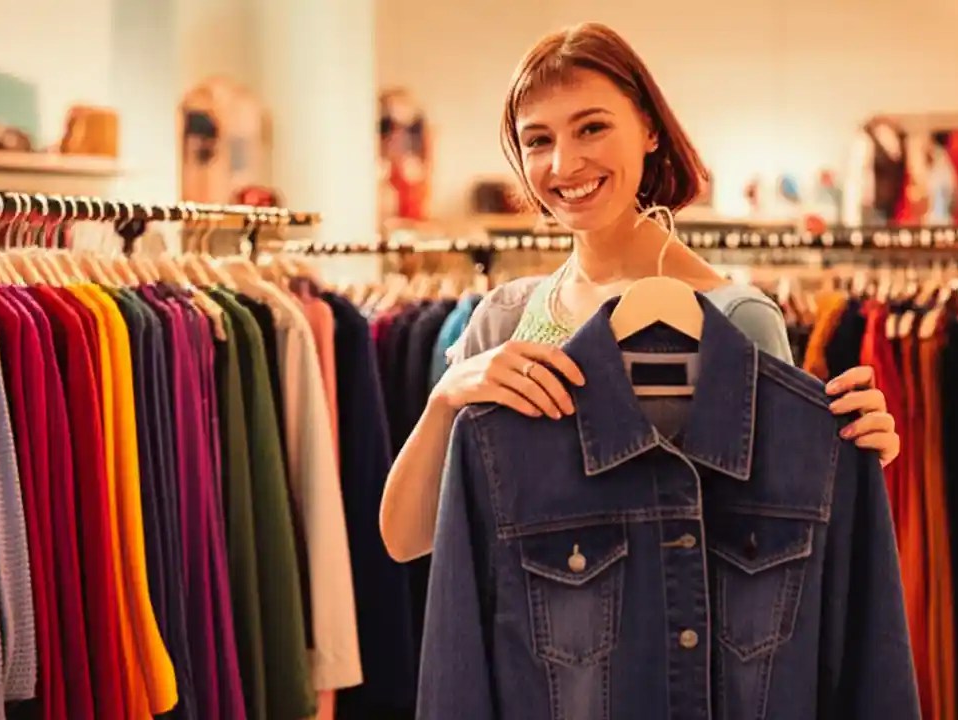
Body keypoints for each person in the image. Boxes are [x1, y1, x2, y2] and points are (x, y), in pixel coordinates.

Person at [380, 22, 901, 563]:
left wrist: (853, 462)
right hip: (517, 642)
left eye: (591, 128)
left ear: (649, 129)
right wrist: (445, 399)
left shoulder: (733, 318)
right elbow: (405, 539)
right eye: (538, 140)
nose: (563, 164)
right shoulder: (502, 320)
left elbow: (772, 544)